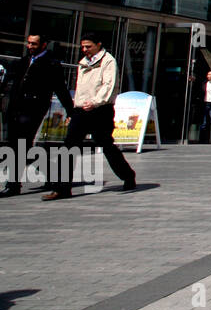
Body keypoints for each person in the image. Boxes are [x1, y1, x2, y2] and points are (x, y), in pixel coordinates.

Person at [44, 34, 136, 199]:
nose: (85, 50)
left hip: (101, 109)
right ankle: (62, 188)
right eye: (83, 47)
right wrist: (74, 108)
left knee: (105, 144)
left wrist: (95, 101)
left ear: (98, 45)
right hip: (81, 110)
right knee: (69, 146)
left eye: (88, 46)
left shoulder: (108, 61)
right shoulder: (83, 62)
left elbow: (109, 85)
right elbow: (80, 87)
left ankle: (128, 175)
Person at [2, 33, 75, 198]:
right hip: (15, 109)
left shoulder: (51, 65)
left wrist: (70, 111)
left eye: (34, 44)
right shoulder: (23, 61)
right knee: (18, 145)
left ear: (43, 45)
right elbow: (10, 83)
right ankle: (53, 174)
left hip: (33, 110)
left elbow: (61, 90)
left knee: (20, 146)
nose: (30, 46)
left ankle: (13, 185)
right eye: (29, 43)